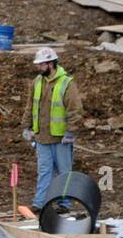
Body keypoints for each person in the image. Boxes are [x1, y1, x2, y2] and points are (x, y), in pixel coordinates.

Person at [22, 47, 82, 213]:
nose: (38, 68)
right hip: (42, 137)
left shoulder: (66, 83)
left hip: (60, 137)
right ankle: (40, 203)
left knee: (64, 172)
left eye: (41, 65)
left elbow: (75, 110)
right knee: (44, 172)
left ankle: (65, 204)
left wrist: (71, 131)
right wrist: (26, 126)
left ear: (50, 64)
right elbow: (30, 106)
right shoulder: (37, 82)